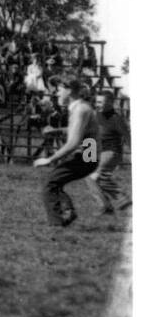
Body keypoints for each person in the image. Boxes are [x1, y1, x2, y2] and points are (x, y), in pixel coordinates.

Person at [34, 76, 99, 228]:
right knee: (54, 182)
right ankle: (67, 212)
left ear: (69, 91)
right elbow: (78, 131)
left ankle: (57, 225)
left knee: (50, 183)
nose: (57, 93)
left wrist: (50, 159)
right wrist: (57, 131)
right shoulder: (80, 107)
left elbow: (74, 142)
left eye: (59, 90)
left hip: (87, 157)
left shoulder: (80, 110)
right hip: (88, 155)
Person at [88, 89, 130, 214]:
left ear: (111, 103)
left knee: (96, 176)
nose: (97, 104)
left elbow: (128, 137)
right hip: (93, 148)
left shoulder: (116, 119)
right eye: (97, 102)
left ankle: (124, 201)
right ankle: (105, 207)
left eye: (101, 102)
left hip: (111, 151)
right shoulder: (95, 114)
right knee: (88, 176)